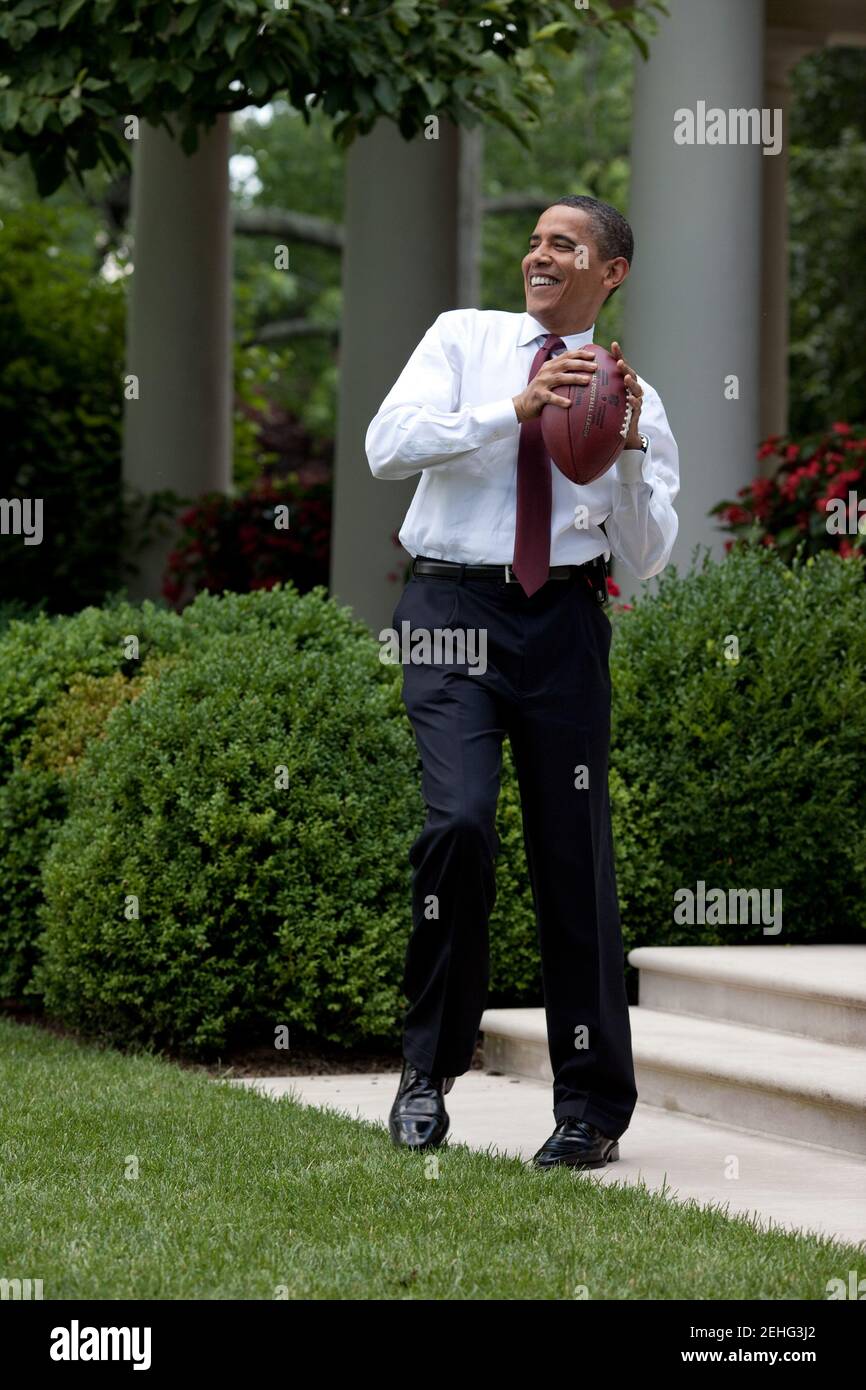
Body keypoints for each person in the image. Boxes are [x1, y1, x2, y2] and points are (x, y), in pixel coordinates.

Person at [365, 195, 679, 1169]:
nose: (539, 255)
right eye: (535, 241)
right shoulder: (462, 341)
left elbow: (647, 554)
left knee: (571, 856)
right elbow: (386, 447)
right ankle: (426, 1071)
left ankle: (587, 1110)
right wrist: (516, 410)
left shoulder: (635, 395)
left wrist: (623, 451)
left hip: (563, 624)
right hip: (450, 611)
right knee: (457, 821)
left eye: (564, 245)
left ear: (608, 272)